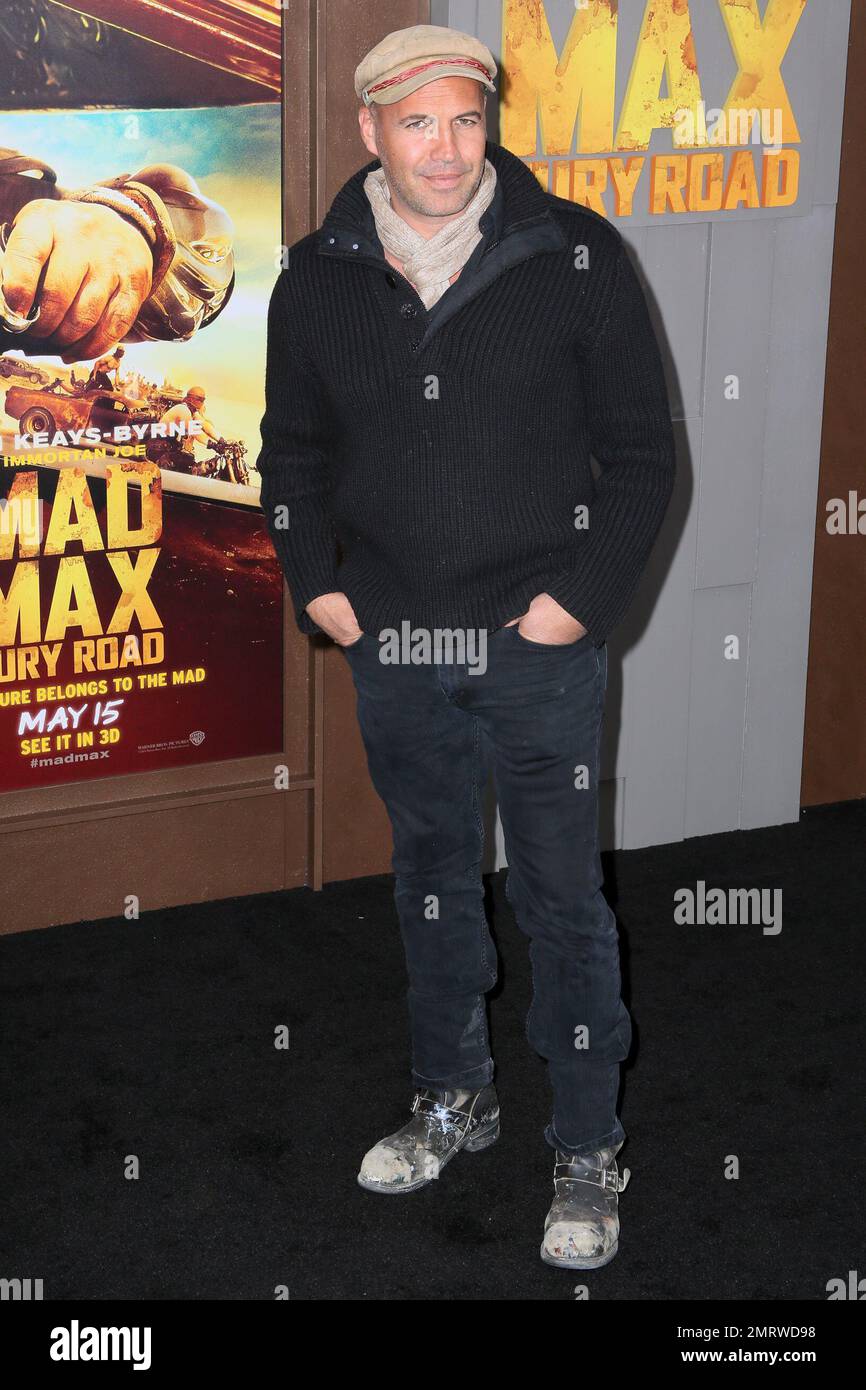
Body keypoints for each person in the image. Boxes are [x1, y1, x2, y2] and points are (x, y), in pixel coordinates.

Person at [256, 24, 676, 1270]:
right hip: (393, 643)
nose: (447, 150)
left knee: (563, 905)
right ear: (370, 128)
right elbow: (288, 455)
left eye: (467, 119)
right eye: (418, 123)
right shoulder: (315, 274)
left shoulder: (577, 253)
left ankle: (587, 1143)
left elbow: (645, 458)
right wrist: (317, 585)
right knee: (429, 879)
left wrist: (574, 604)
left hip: (534, 647)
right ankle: (455, 1095)